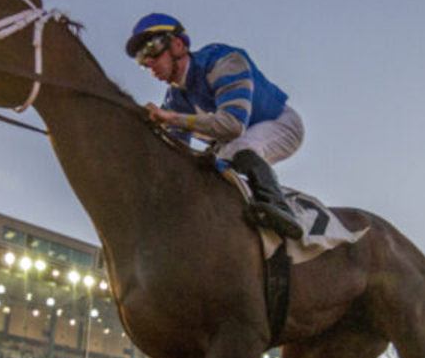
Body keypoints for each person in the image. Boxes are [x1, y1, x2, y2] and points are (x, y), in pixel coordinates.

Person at [126, 13, 304, 239]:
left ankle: (278, 207)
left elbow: (233, 126)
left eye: (151, 49)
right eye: (141, 59)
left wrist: (171, 118)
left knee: (235, 149)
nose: (149, 63)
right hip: (233, 142)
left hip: (280, 124)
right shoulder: (174, 99)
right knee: (205, 168)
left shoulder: (224, 62)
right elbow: (175, 155)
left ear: (178, 44)